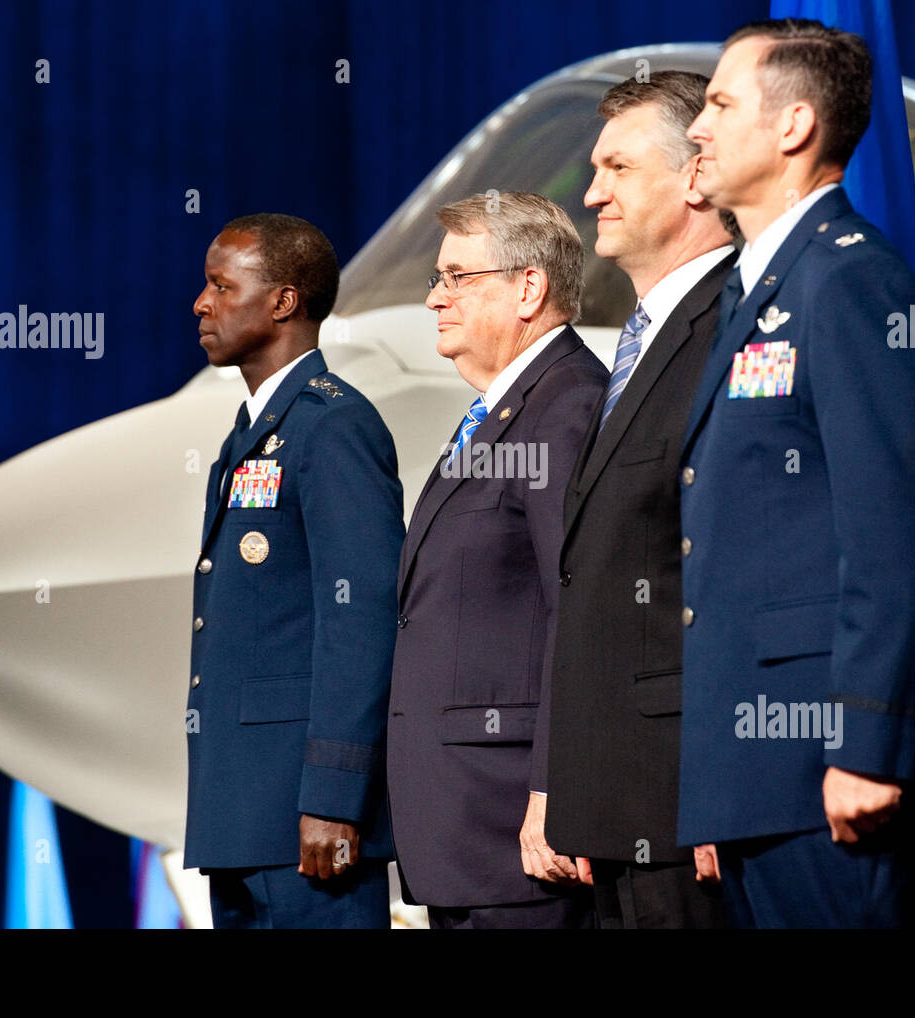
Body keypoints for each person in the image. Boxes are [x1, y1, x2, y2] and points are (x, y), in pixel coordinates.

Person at [677, 18, 915, 929]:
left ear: (793, 126)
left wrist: (870, 744)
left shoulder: (852, 283)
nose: (697, 129)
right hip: (762, 780)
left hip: (837, 769)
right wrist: (717, 781)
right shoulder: (759, 295)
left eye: (718, 104)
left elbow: (905, 537)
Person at [536, 71, 735, 929]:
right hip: (619, 803)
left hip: (691, 802)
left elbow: (740, 567)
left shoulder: (736, 327)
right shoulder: (636, 344)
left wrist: (729, 784)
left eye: (616, 168)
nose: (591, 194)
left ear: (696, 176)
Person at [387, 192, 606, 929]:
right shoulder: (505, 409)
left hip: (516, 832)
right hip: (468, 833)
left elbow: (579, 611)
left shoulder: (566, 405)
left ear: (528, 288)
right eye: (436, 279)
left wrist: (556, 792)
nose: (433, 299)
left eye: (456, 278)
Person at [184, 213, 403, 929]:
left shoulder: (332, 425)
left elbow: (362, 620)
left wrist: (336, 799)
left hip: (304, 822)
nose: (201, 302)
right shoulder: (252, 434)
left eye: (221, 285)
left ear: (282, 302)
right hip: (243, 817)